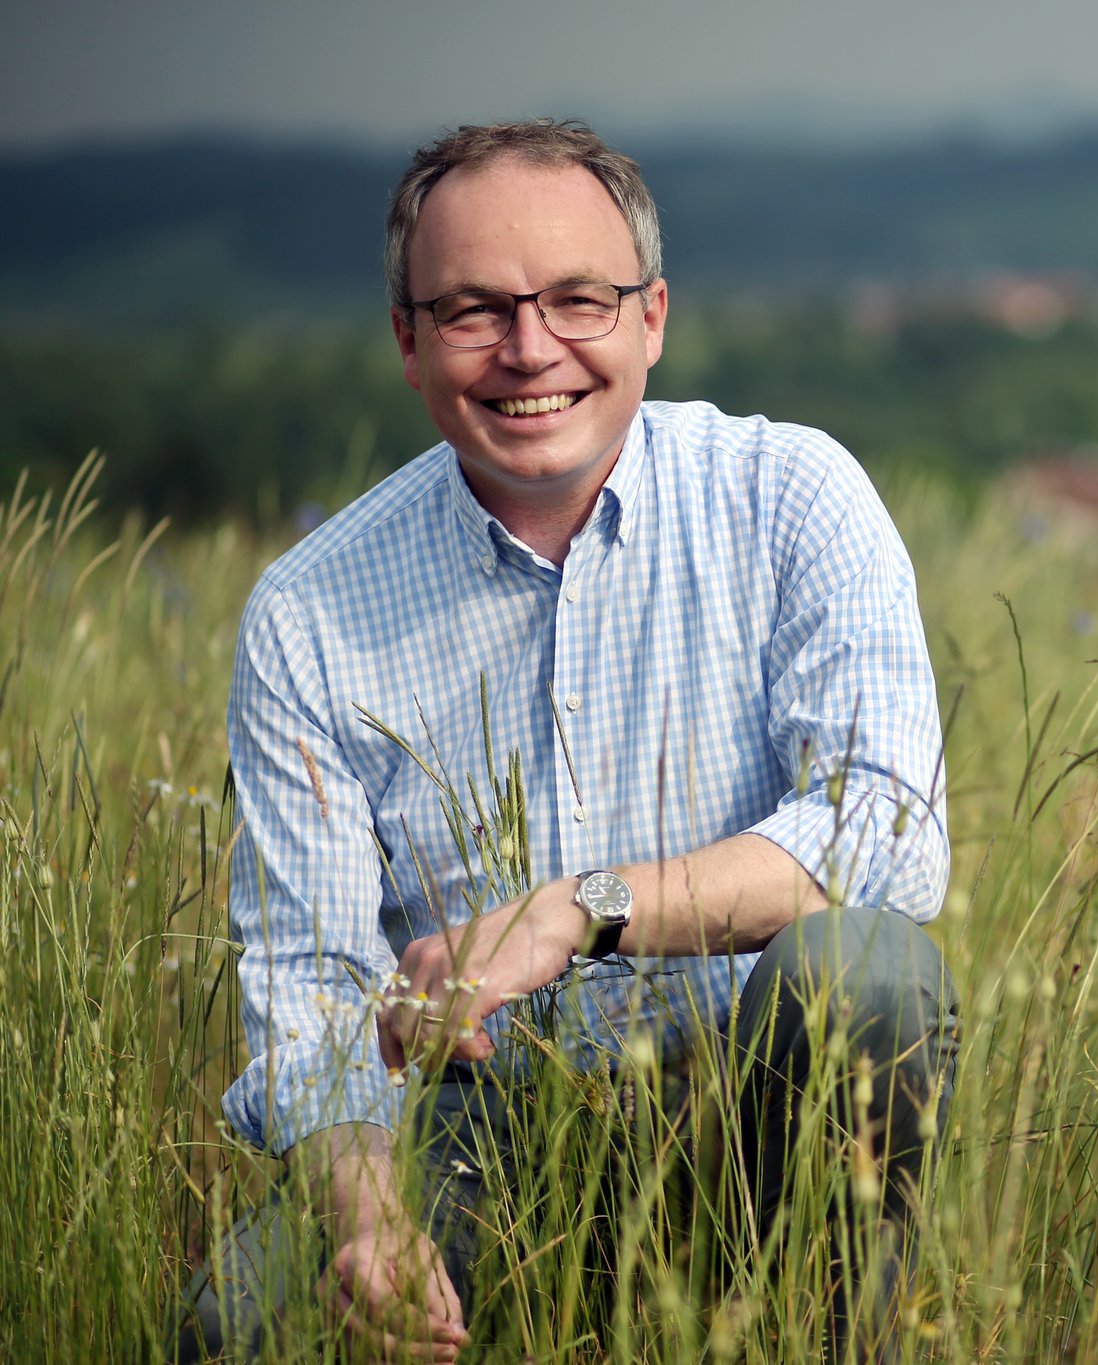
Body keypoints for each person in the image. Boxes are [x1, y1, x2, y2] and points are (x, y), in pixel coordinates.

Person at [176, 118, 955, 1362]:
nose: (530, 349)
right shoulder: (309, 613)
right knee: (245, 1326)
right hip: (473, 1131)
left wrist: (575, 910)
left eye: (577, 300)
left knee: (866, 973)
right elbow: (311, 994)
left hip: (747, 1093)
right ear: (408, 342)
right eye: (475, 309)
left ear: (650, 316)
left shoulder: (789, 495)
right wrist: (369, 1218)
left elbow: (889, 833)